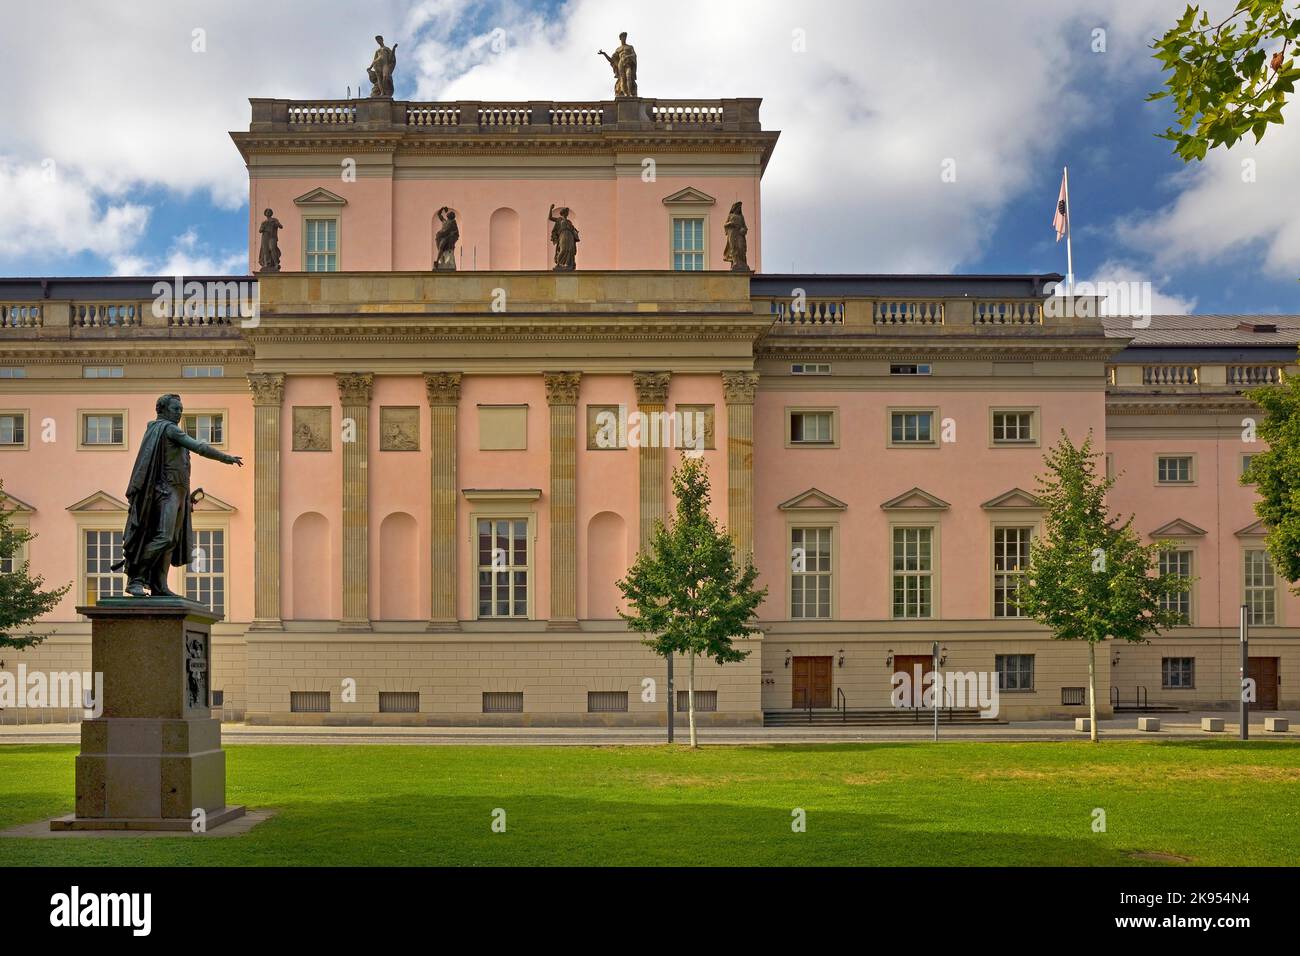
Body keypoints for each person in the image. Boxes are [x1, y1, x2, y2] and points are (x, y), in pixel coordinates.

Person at [113, 394, 243, 598]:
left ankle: (159, 585)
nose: (179, 413)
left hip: (179, 492)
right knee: (164, 536)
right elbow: (199, 447)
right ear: (163, 410)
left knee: (172, 539)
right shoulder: (167, 428)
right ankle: (136, 578)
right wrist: (226, 458)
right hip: (165, 491)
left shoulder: (165, 430)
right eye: (176, 409)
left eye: (181, 409)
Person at [549, 204, 579, 271]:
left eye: (567, 213)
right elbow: (550, 218)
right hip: (563, 235)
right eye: (566, 212)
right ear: (563, 213)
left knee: (570, 250)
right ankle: (559, 264)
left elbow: (572, 229)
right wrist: (551, 209)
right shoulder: (559, 219)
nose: (567, 214)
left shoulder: (569, 222)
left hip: (570, 236)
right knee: (563, 249)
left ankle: (568, 264)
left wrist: (575, 232)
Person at [257, 209, 282, 273]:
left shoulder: (274, 220)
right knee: (265, 251)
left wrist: (277, 224)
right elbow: (260, 230)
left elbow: (280, 226)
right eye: (267, 212)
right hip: (265, 237)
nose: (268, 213)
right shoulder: (264, 222)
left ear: (271, 213)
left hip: (272, 237)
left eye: (269, 212)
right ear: (265, 214)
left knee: (272, 248)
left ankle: (276, 263)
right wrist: (263, 228)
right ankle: (266, 264)